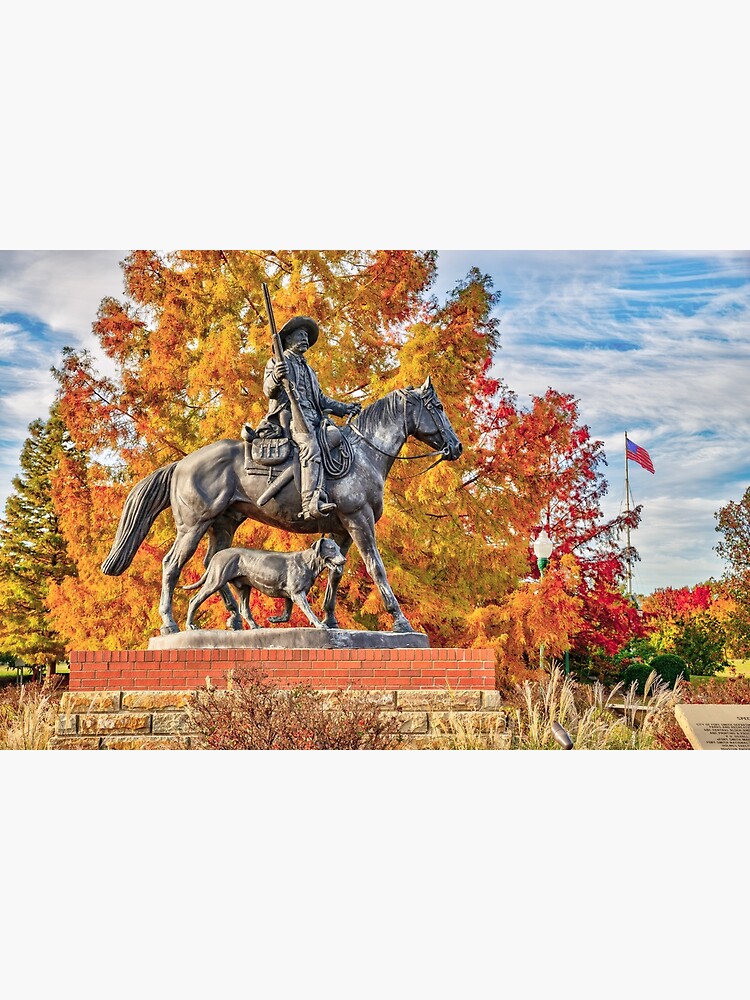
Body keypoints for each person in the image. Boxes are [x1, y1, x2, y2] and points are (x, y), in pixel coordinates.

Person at [258, 316, 360, 519]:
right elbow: (267, 389)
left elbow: (321, 399)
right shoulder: (277, 362)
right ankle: (310, 501)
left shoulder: (309, 369)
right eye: (300, 335)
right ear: (287, 339)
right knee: (310, 446)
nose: (305, 339)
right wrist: (276, 377)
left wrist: (345, 408)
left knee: (337, 436)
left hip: (314, 418)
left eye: (306, 336)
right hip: (291, 418)